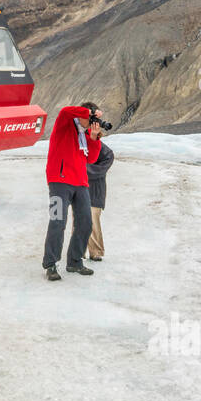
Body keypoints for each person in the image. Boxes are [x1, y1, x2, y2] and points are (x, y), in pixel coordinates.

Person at [42, 102, 102, 280]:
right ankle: (51, 264)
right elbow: (65, 110)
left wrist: (93, 137)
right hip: (58, 182)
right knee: (57, 221)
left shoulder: (84, 135)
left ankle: (74, 262)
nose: (91, 122)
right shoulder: (65, 122)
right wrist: (90, 112)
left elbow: (91, 158)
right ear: (82, 115)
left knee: (85, 223)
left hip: (80, 183)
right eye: (89, 119)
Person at [84, 105, 114, 262]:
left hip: (94, 190)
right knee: (79, 221)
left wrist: (83, 169)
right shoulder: (79, 142)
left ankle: (95, 251)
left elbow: (104, 163)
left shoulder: (104, 150)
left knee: (92, 221)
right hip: (80, 189)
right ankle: (79, 252)